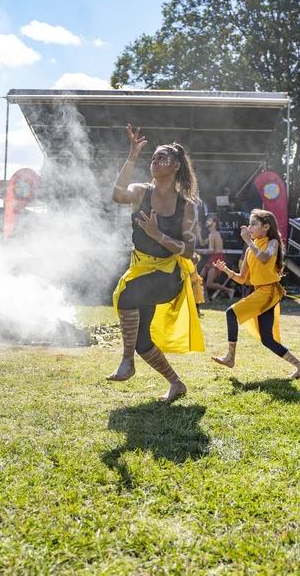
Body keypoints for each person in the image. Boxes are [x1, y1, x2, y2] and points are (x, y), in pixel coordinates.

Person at [110, 124, 204, 401]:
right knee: (143, 341)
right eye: (153, 157)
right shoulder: (140, 191)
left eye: (162, 157)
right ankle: (176, 383)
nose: (155, 160)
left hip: (167, 276)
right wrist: (131, 157)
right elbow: (117, 195)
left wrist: (158, 234)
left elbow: (188, 251)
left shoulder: (187, 204)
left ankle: (126, 363)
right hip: (140, 269)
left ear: (176, 166)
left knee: (127, 293)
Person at [211, 209, 300, 379]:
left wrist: (249, 241)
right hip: (261, 292)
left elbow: (265, 259)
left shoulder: (272, 242)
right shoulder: (250, 249)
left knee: (231, 313)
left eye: (254, 224)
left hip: (269, 291)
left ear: (266, 227)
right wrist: (226, 270)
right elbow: (242, 279)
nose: (249, 227)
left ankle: (230, 357)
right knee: (267, 339)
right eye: (249, 224)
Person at [199, 215, 233, 300]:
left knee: (209, 283)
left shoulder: (213, 234)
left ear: (214, 223)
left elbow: (211, 250)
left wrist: (197, 251)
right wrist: (198, 233)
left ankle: (229, 290)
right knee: (199, 279)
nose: (207, 222)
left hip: (216, 258)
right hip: (214, 257)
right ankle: (205, 299)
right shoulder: (212, 234)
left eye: (209, 220)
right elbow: (203, 243)